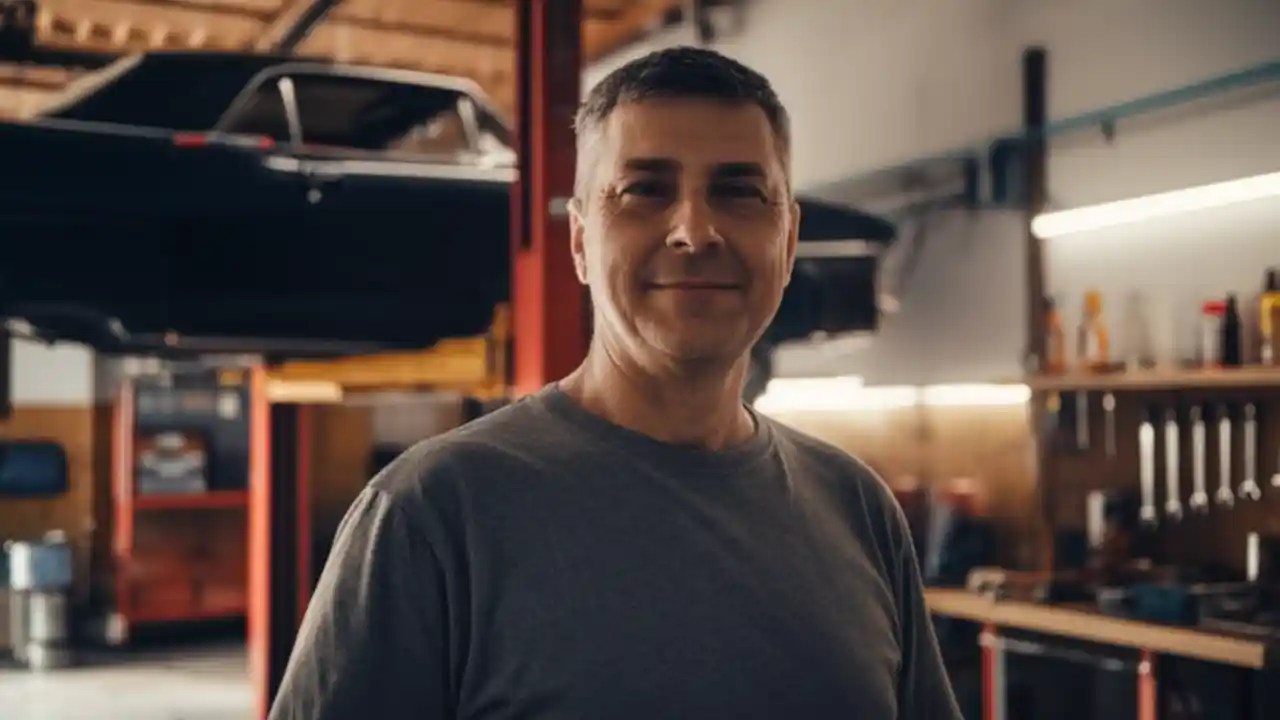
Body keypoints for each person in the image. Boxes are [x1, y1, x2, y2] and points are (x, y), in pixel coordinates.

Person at [270, 46, 961, 720]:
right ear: (578, 242)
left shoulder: (856, 509)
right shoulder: (432, 515)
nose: (695, 230)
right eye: (644, 191)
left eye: (739, 192)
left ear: (787, 241)